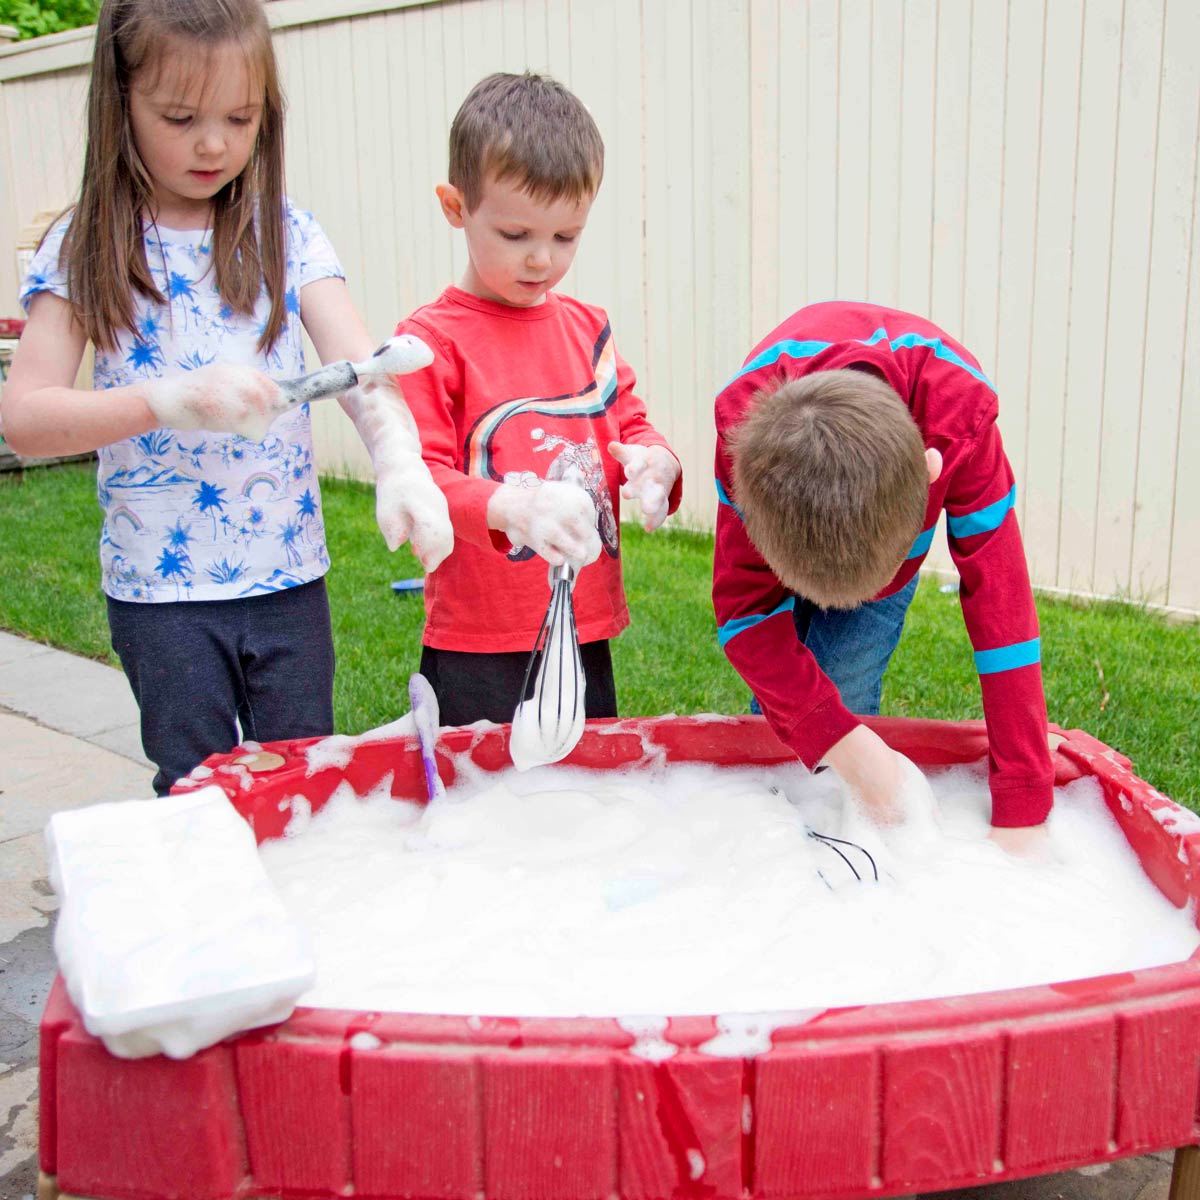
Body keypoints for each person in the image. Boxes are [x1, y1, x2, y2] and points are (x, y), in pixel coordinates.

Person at [1, 0, 451, 795]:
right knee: (198, 793)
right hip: (162, 595)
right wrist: (162, 400)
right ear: (121, 102)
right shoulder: (81, 246)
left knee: (305, 783)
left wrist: (399, 457)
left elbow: (360, 367)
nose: (213, 143)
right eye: (179, 116)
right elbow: (26, 417)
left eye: (240, 117)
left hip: (286, 580)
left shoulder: (288, 234)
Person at [393, 71, 682, 726]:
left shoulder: (588, 327)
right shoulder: (428, 342)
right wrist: (510, 507)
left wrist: (654, 461)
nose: (542, 261)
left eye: (566, 236)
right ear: (455, 205)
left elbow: (630, 424)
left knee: (588, 793)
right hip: (481, 636)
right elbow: (422, 479)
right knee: (492, 809)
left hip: (582, 619)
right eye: (516, 235)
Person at [713, 301, 1053, 853]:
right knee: (799, 717)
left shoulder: (961, 424)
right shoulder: (742, 438)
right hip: (795, 512)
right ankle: (796, 820)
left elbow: (1004, 618)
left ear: (929, 471)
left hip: (890, 533)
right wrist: (844, 745)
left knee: (843, 677)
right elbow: (746, 612)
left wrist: (1024, 802)